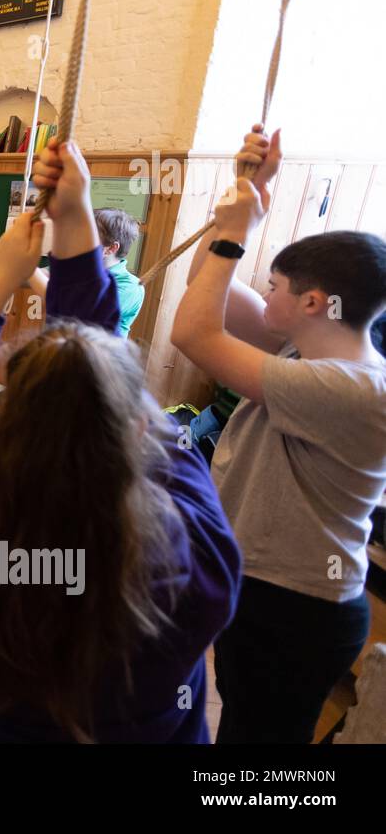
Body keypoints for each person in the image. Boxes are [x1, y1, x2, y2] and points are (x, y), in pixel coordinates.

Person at [0, 138, 241, 742]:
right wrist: (77, 221)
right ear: (137, 432)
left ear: (4, 437)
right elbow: (147, 424)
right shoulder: (200, 562)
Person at [171, 125, 386, 743]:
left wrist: (237, 232)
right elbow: (201, 291)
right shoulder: (307, 352)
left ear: (314, 302)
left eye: (275, 285)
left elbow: (192, 334)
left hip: (299, 612)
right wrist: (247, 193)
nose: (263, 288)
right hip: (274, 595)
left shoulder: (348, 389)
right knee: (245, 732)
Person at [28, 207, 145, 336]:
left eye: (87, 239)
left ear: (111, 248)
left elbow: (78, 310)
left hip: (96, 355)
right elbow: (46, 274)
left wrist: (27, 267)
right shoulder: (77, 267)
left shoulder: (130, 287)